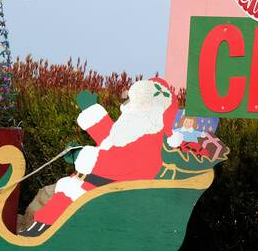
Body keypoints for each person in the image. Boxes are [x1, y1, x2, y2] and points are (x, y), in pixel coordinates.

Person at [25, 78, 179, 234]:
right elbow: (109, 138)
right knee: (57, 194)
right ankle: (35, 231)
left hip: (112, 196)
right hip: (96, 187)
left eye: (141, 102)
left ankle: (40, 236)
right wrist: (91, 109)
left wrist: (81, 156)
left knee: (63, 196)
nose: (131, 106)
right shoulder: (133, 129)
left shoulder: (151, 140)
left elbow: (121, 164)